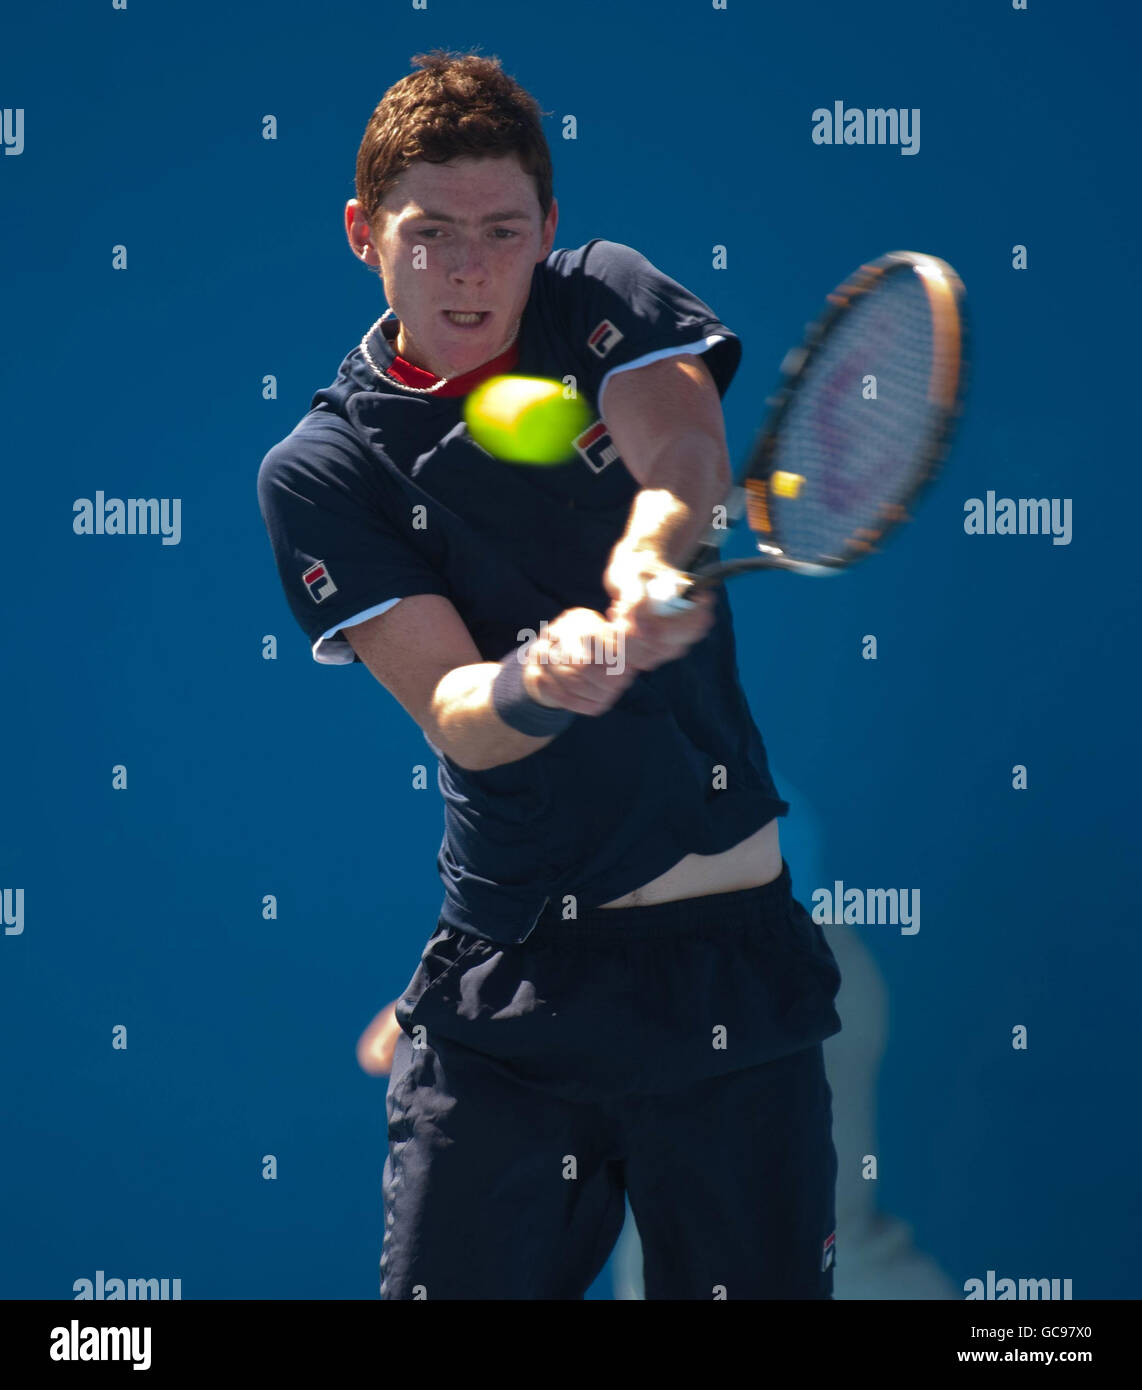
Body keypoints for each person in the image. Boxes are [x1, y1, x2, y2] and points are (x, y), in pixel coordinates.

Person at [258, 49, 843, 1300]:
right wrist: (538, 680)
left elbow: (679, 447)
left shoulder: (602, 296)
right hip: (510, 996)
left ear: (548, 231)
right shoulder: (322, 467)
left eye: (501, 230)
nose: (467, 267)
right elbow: (458, 715)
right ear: (366, 234)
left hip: (727, 973)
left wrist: (645, 554)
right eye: (429, 233)